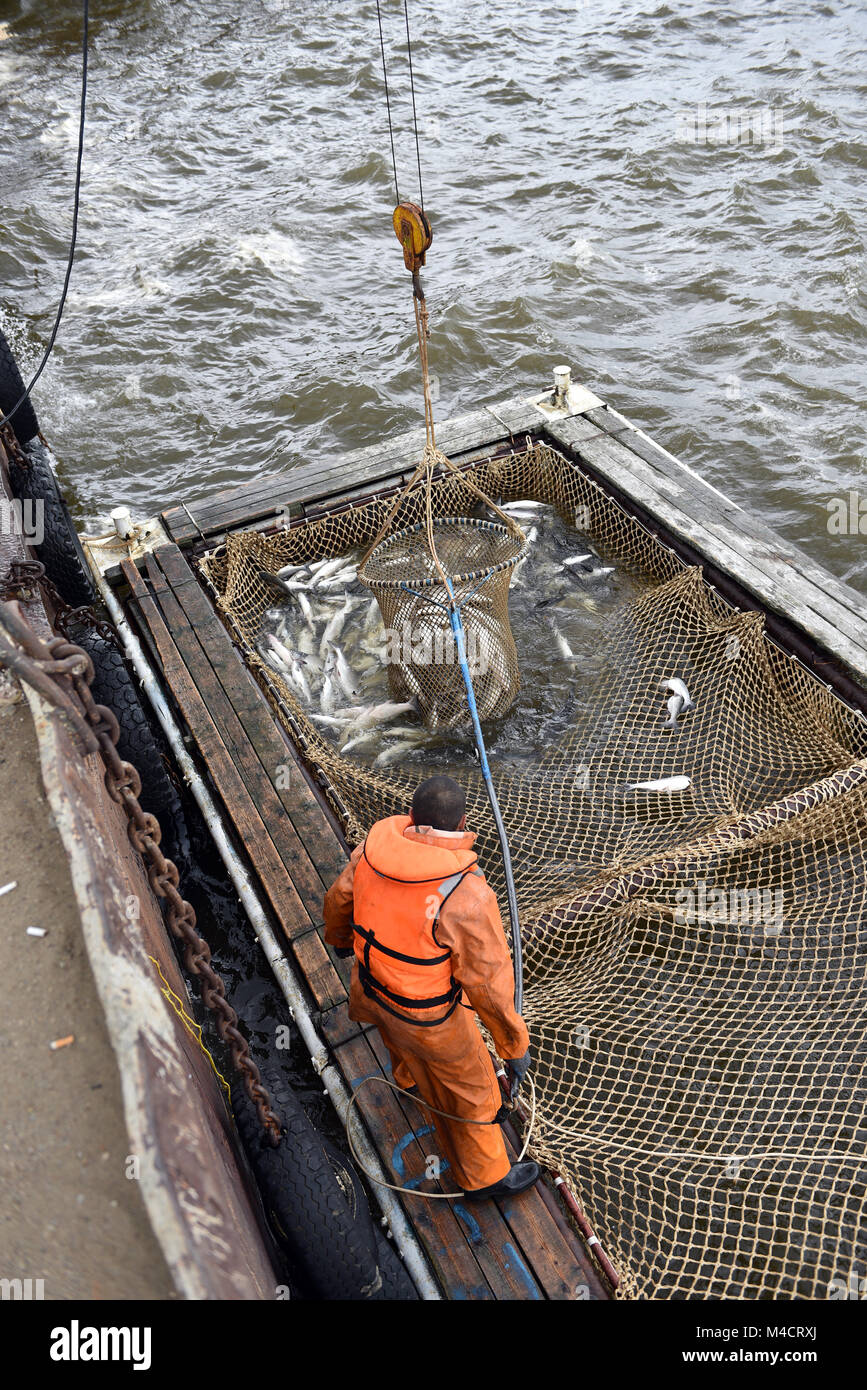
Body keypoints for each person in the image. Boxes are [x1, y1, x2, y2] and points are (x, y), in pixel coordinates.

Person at [323, 774, 538, 1202]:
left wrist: (341, 940)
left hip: (371, 991)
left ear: (412, 817)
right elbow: (488, 985)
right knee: (474, 1091)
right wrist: (513, 1045)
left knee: (400, 1046)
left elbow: (338, 900)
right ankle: (485, 1177)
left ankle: (408, 1080)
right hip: (429, 1020)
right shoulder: (466, 894)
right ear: (463, 824)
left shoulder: (371, 852)